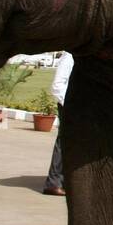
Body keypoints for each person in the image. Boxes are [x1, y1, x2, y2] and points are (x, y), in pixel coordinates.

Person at [42, 51, 74, 196]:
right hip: (68, 104)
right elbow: (57, 85)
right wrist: (69, 104)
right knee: (64, 141)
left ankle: (66, 180)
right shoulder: (69, 55)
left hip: (81, 107)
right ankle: (53, 183)